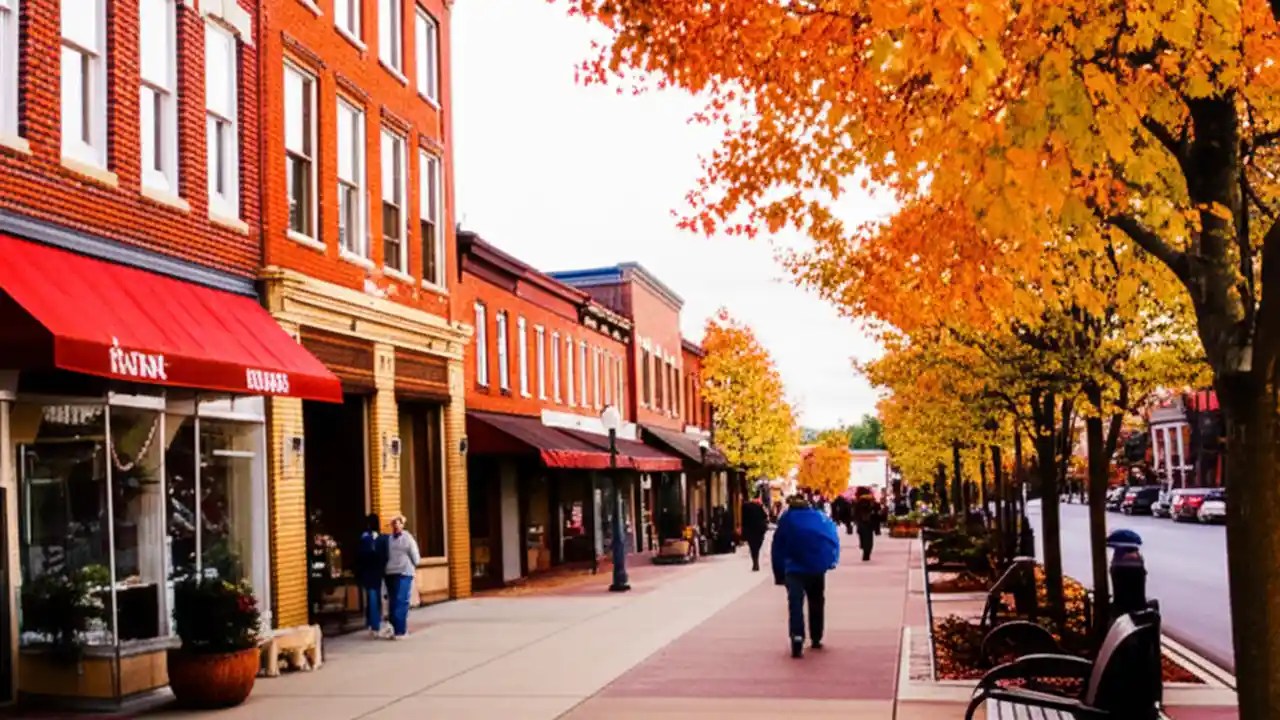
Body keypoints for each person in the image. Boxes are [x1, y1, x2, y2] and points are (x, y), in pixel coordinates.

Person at [772, 495, 841, 658]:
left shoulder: (786, 520)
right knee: (816, 600)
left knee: (795, 603)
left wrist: (779, 574)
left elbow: (777, 547)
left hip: (794, 569)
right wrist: (830, 561)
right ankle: (816, 636)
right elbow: (831, 537)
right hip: (817, 567)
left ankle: (797, 637)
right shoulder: (819, 517)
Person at [383, 515, 421, 640]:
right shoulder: (390, 539)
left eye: (398, 523)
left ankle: (399, 629)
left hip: (403, 572)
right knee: (397, 601)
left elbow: (414, 555)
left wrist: (415, 564)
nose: (395, 526)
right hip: (394, 573)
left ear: (402, 524)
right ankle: (399, 630)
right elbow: (415, 556)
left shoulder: (406, 538)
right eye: (394, 523)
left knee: (399, 601)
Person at [356, 513, 389, 637]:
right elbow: (384, 556)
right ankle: (375, 624)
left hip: (368, 572)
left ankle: (372, 623)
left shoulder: (364, 539)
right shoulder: (380, 539)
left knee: (372, 598)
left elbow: (360, 556)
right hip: (376, 572)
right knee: (375, 598)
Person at [741, 498, 769, 571]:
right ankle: (756, 561)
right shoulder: (759, 507)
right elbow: (765, 516)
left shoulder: (745, 508)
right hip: (759, 530)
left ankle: (755, 562)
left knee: (752, 547)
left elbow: (743, 519)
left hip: (750, 530)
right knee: (757, 546)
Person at [853, 492, 882, 562]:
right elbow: (878, 512)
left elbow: (855, 513)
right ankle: (867, 553)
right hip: (870, 523)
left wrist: (856, 521)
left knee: (862, 537)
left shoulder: (858, 502)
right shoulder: (872, 502)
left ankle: (864, 549)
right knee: (869, 539)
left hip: (861, 523)